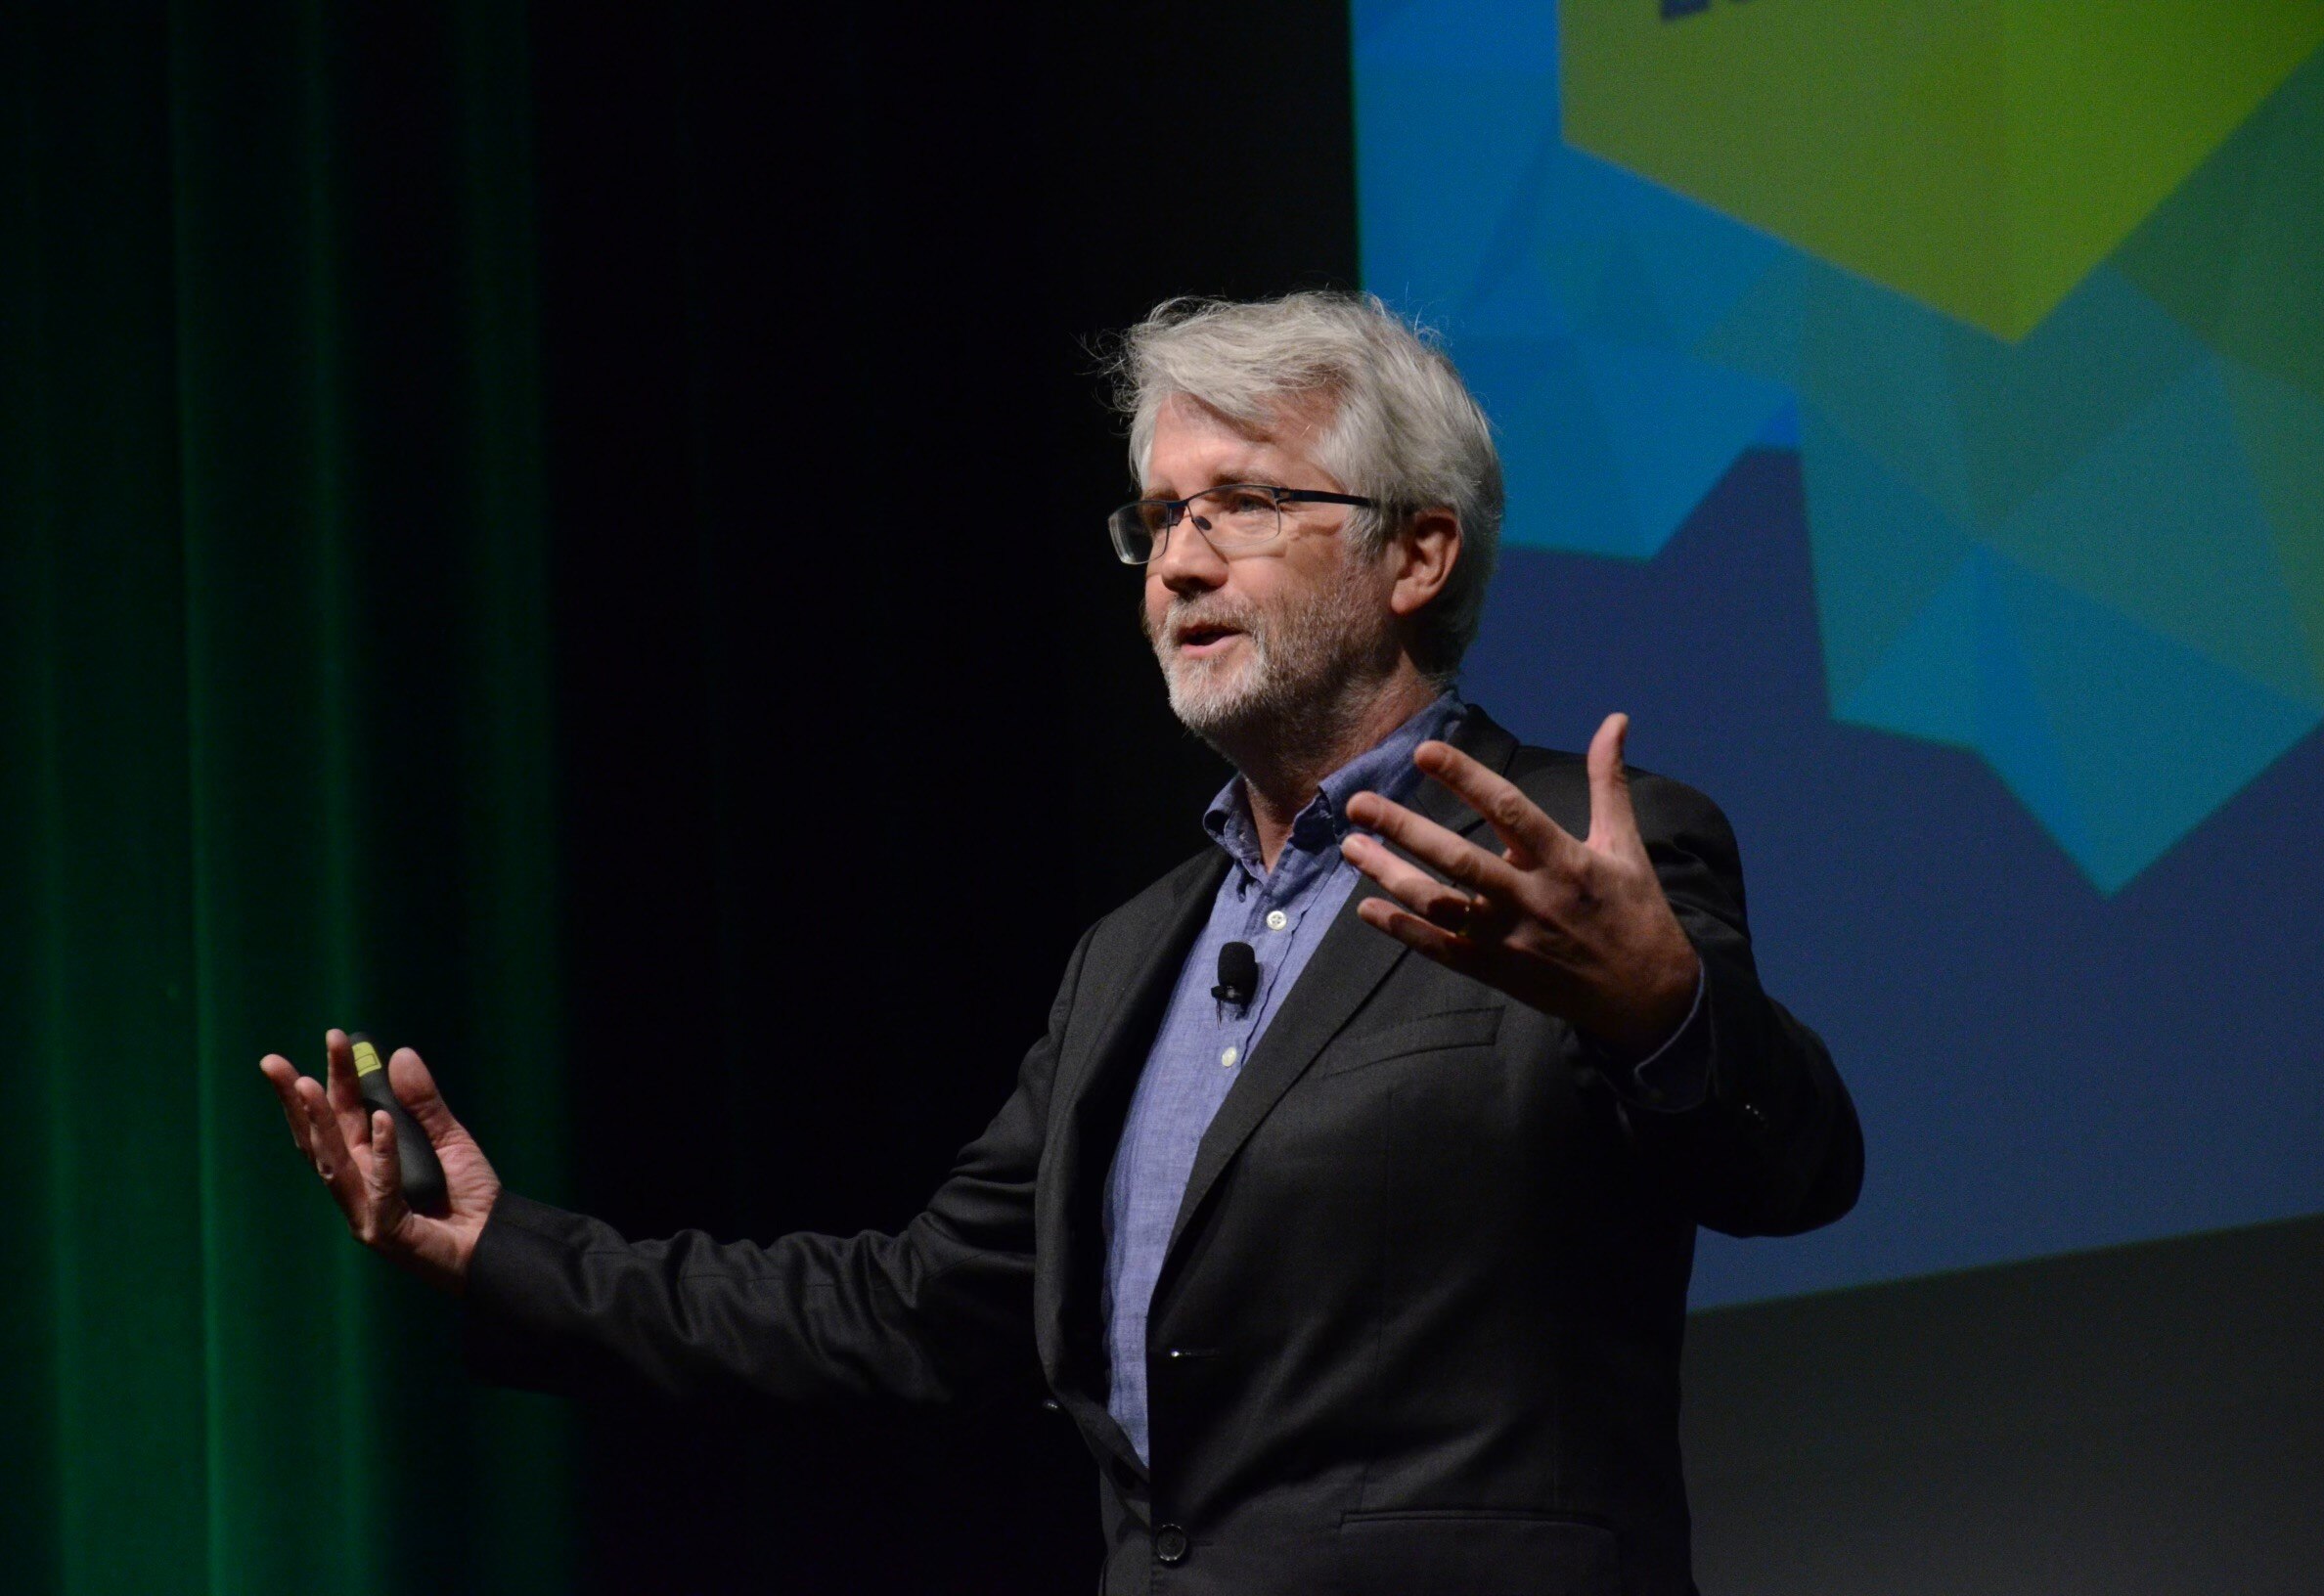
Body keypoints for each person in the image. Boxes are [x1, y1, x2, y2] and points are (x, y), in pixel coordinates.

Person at [262, 291, 1860, 1596]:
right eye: (1159, 516)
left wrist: (1661, 1007)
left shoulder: (1579, 856)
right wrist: (502, 1251)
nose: (1177, 561)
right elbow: (904, 1308)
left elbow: (1793, 1168)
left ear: (1416, 555)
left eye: (1244, 503)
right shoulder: (1129, 957)